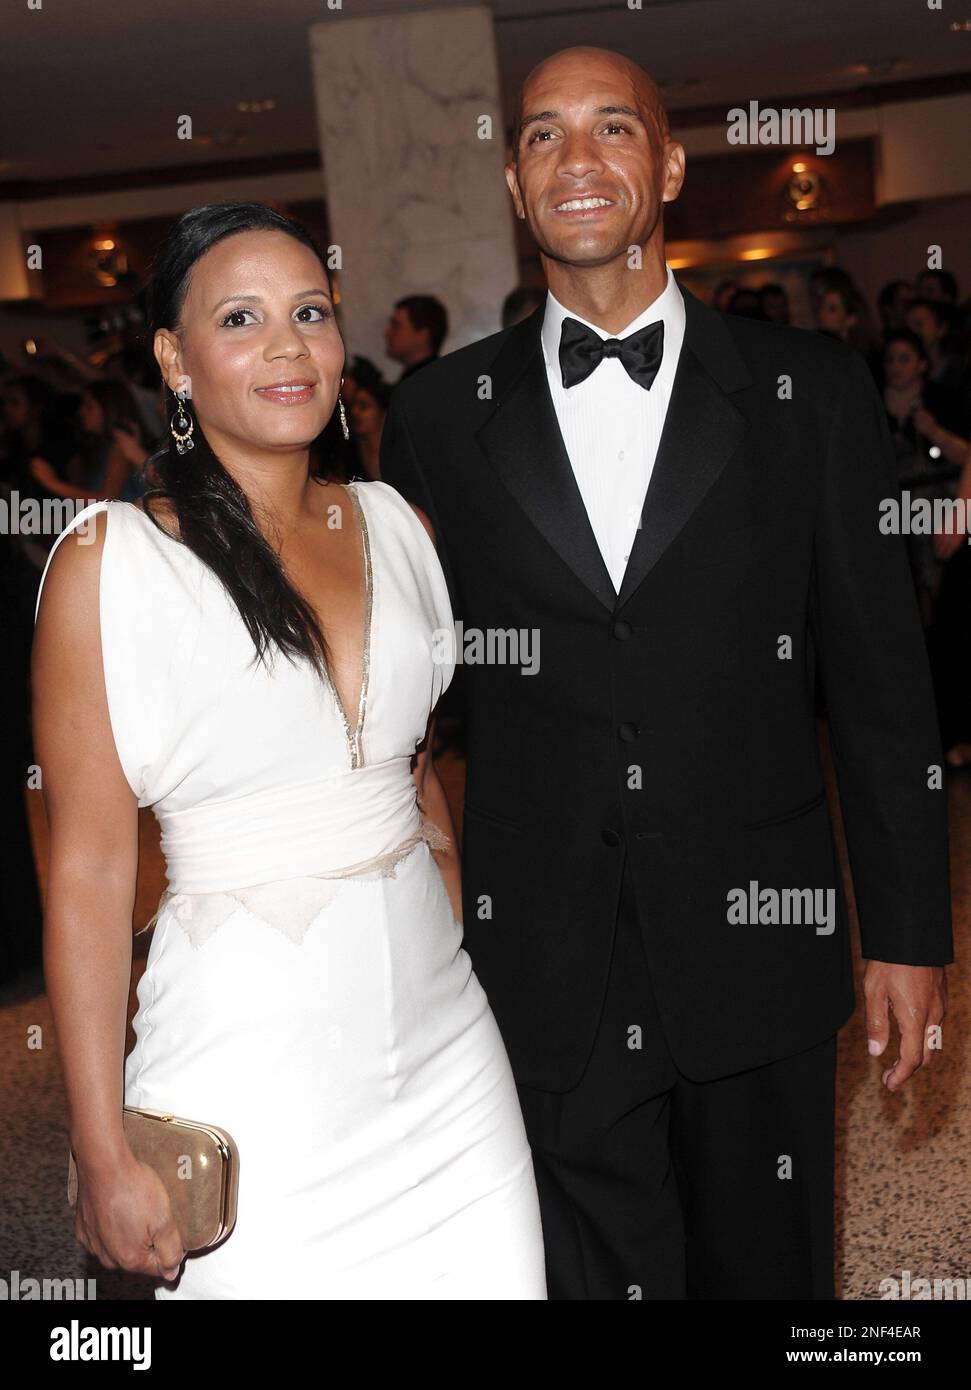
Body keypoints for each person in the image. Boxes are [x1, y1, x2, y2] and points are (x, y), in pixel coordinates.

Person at [381, 45, 951, 1300]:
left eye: (610, 129)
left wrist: (907, 933)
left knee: (770, 1272)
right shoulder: (434, 416)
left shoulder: (809, 392)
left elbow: (877, 682)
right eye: (540, 137)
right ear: (514, 188)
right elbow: (406, 704)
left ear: (671, 164)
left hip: (759, 939)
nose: (575, 160)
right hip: (543, 960)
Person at [32, 201, 546, 1300]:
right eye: (240, 318)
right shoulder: (113, 564)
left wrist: (434, 890)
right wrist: (97, 1143)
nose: (286, 346)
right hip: (248, 1075)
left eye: (308, 312)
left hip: (451, 1057)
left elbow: (406, 763)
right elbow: (85, 872)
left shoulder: (395, 524)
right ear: (174, 357)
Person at [384, 294, 448, 384]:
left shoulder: (432, 385)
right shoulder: (424, 378)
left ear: (423, 334)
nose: (387, 333)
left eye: (396, 326)